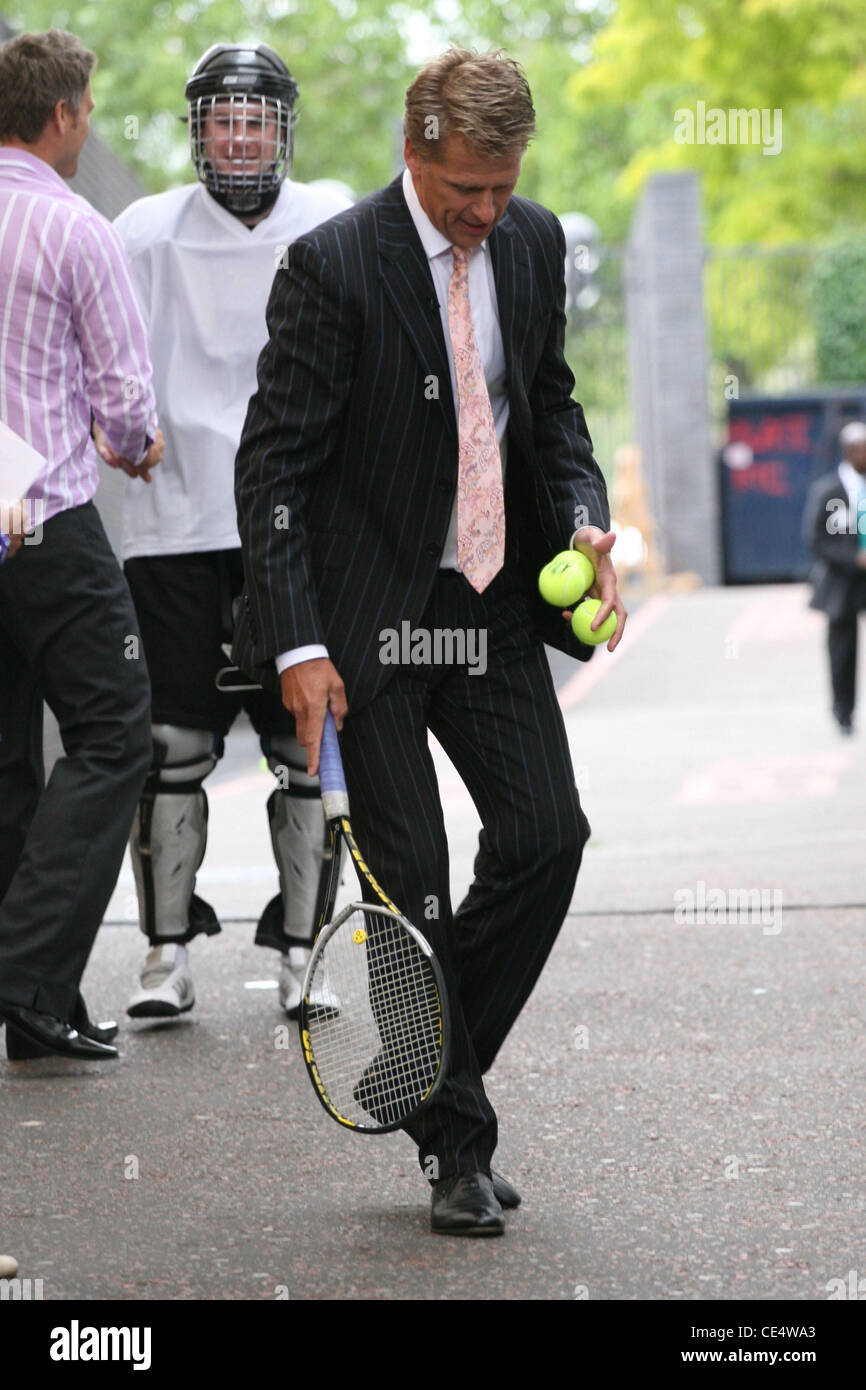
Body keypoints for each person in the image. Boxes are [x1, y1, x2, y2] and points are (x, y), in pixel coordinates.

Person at [234, 47, 626, 1236]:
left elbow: (546, 406)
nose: (486, 212)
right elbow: (274, 470)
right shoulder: (331, 266)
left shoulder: (532, 241)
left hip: (492, 600)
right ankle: (455, 1142)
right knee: (409, 882)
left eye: (504, 187)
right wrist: (297, 640)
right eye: (466, 189)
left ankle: (419, 1065)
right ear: (415, 151)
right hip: (367, 624)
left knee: (547, 834)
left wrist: (583, 518)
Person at [114, 44, 352, 1021]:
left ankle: (304, 954)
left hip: (290, 527)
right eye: (223, 117)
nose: (240, 135)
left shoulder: (331, 220)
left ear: (283, 128)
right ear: (197, 128)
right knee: (170, 745)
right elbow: (110, 352)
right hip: (173, 526)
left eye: (257, 117)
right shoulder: (144, 232)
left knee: (307, 747)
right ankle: (165, 955)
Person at [0, 28, 161, 1061]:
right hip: (47, 526)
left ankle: (38, 995)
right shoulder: (73, 229)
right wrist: (132, 447)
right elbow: (127, 404)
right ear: (63, 116)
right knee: (115, 736)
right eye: (88, 109)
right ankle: (25, 972)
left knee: (10, 759)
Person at [803, 420, 866, 734]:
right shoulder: (827, 492)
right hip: (843, 581)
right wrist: (852, 558)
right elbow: (815, 538)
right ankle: (844, 713)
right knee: (843, 649)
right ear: (851, 450)